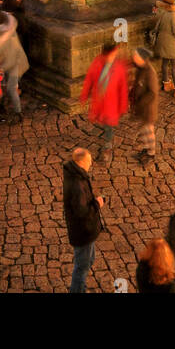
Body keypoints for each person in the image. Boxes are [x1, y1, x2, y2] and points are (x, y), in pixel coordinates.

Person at [62, 147, 103, 294]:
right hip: (83, 231)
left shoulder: (77, 175)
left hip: (86, 231)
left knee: (88, 260)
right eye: (89, 160)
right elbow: (82, 212)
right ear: (81, 162)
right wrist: (97, 203)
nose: (91, 163)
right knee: (81, 267)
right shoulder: (77, 185)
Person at [80, 42, 129, 151]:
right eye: (112, 54)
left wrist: (123, 105)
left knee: (109, 123)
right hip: (100, 100)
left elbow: (123, 88)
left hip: (111, 102)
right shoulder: (97, 64)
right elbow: (89, 80)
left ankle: (108, 142)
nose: (114, 57)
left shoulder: (119, 68)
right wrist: (84, 95)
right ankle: (108, 137)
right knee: (103, 119)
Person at [0, 9, 29, 120]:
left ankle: (17, 111)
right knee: (5, 87)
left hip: (10, 64)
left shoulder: (3, 34)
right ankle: (8, 108)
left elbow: (2, 51)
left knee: (10, 88)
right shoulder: (3, 30)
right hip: (7, 63)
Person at [129, 47, 159, 165]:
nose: (133, 58)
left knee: (149, 131)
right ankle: (146, 150)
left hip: (147, 109)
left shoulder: (150, 72)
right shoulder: (140, 68)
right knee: (143, 130)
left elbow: (152, 93)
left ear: (141, 59)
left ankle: (151, 154)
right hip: (141, 108)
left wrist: (141, 103)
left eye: (135, 56)